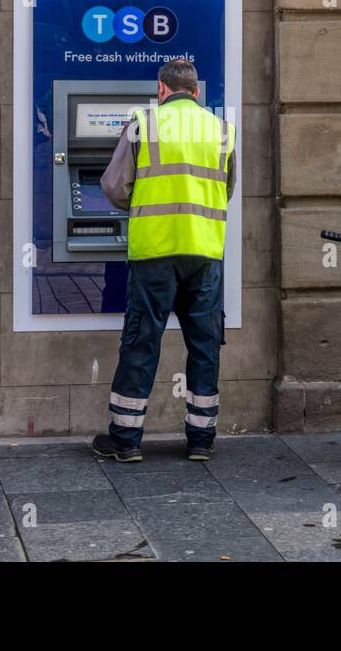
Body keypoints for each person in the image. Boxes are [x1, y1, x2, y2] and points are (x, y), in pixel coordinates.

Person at [90, 58, 236, 463]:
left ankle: (125, 440)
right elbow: (227, 188)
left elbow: (114, 186)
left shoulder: (143, 124)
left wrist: (144, 204)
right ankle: (201, 440)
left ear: (161, 90)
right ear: (197, 91)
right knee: (205, 343)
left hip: (154, 251)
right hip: (205, 251)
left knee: (142, 340)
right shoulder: (222, 129)